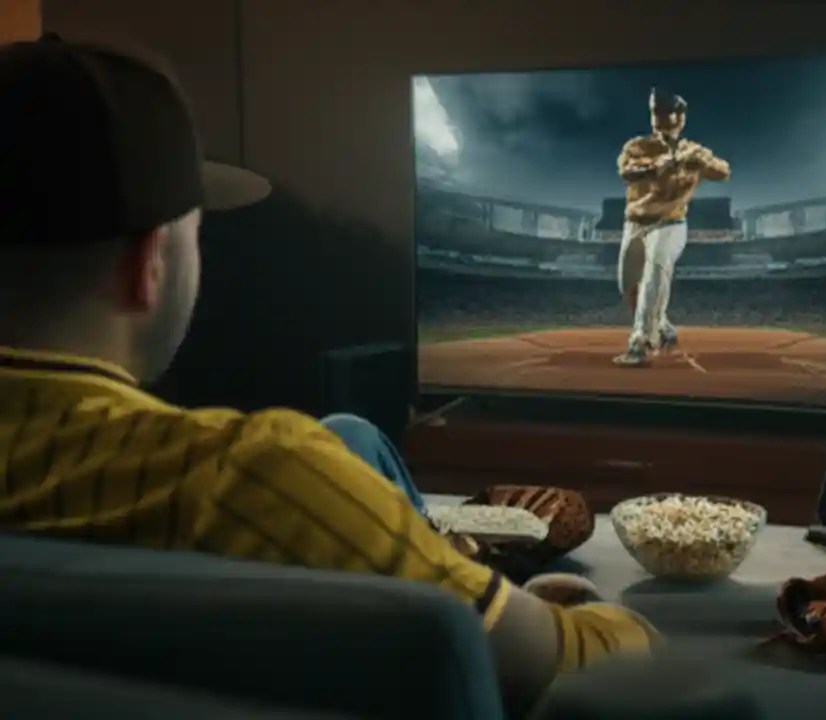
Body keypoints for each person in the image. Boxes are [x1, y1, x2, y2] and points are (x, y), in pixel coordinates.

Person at [0, 35, 658, 711]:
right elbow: (582, 660)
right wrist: (592, 607)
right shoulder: (256, 476)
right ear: (149, 265)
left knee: (351, 435)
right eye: (194, 234)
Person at [613, 87, 730, 367]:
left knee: (654, 274)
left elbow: (724, 172)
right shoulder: (637, 146)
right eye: (656, 111)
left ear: (680, 118)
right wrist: (661, 165)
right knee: (628, 285)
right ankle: (664, 328)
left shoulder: (694, 150)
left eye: (666, 112)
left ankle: (640, 344)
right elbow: (627, 173)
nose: (659, 117)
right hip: (635, 223)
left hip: (671, 223)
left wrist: (702, 161)